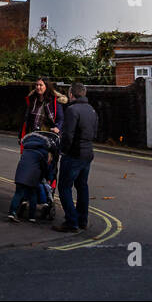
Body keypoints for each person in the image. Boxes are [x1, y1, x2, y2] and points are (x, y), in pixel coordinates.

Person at [53, 82, 97, 234]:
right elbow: (95, 132)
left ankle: (71, 222)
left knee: (64, 187)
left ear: (71, 94)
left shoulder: (72, 110)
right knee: (82, 186)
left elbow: (68, 135)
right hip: (88, 153)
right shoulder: (91, 110)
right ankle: (82, 220)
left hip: (74, 155)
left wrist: (63, 151)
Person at [7, 128, 59, 223]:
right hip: (33, 177)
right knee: (33, 195)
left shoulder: (26, 149)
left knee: (18, 194)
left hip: (20, 175)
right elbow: (44, 167)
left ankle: (12, 212)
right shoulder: (43, 152)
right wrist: (47, 177)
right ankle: (31, 216)